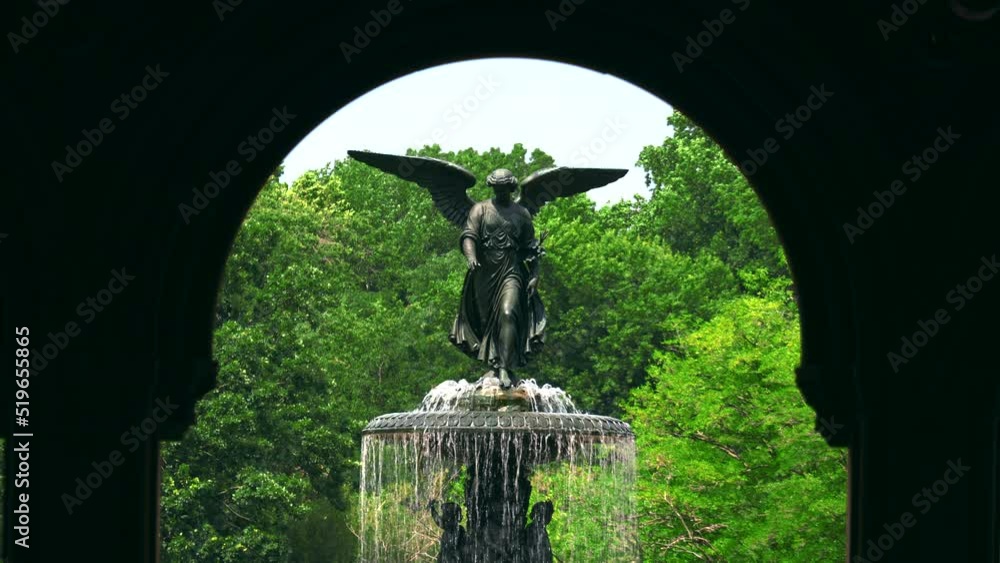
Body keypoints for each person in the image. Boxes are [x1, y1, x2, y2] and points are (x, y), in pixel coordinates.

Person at [450, 168, 547, 389]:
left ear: (511, 188)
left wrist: (535, 275)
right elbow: (469, 236)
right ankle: (494, 365)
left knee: (507, 313)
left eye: (504, 189)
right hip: (484, 274)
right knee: (486, 324)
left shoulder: (521, 214)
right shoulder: (480, 209)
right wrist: (471, 257)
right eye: (496, 188)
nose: (500, 192)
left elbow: (530, 248)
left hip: (511, 272)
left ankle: (504, 367)